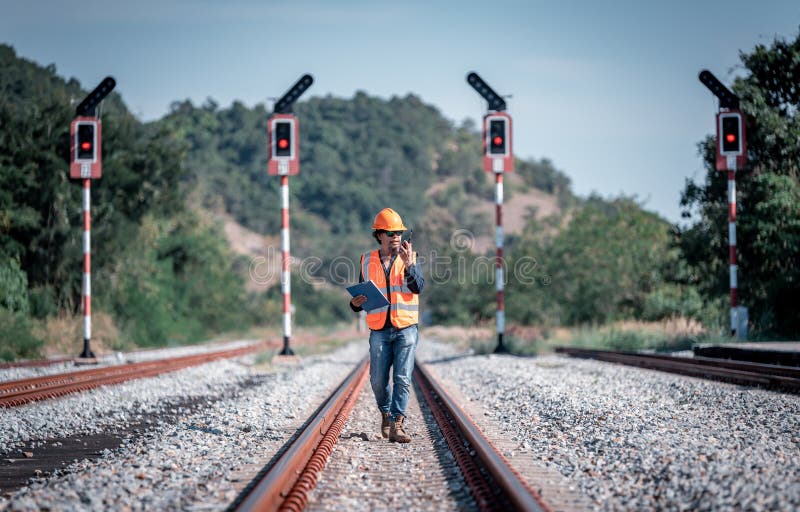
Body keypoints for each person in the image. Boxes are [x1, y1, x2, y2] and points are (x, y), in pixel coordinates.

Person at [350, 208, 424, 443]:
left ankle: (397, 424)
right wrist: (354, 304)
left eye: (399, 232)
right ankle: (385, 412)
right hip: (379, 329)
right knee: (378, 381)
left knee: (402, 378)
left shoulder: (411, 257)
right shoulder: (367, 260)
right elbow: (362, 297)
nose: (396, 237)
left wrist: (408, 265)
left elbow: (418, 287)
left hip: (406, 328)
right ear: (379, 235)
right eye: (390, 233)